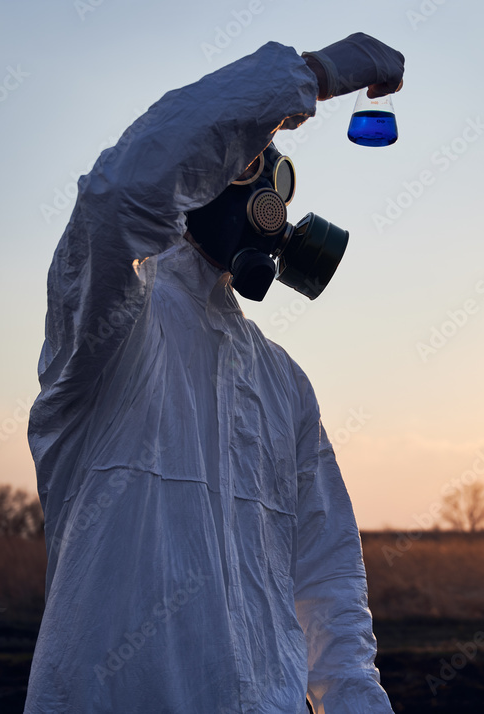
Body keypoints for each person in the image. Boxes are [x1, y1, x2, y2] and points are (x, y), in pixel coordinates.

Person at [24, 34, 404, 713]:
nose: (265, 196)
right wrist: (307, 79)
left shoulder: (283, 383)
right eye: (246, 167)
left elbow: (329, 577)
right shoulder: (111, 334)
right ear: (198, 178)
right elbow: (118, 200)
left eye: (274, 179)